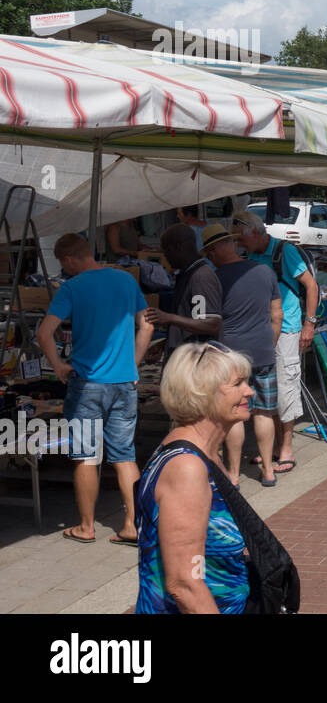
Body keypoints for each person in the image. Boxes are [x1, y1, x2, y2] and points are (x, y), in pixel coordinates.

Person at [37, 234, 153, 545]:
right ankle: (132, 525)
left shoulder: (72, 288)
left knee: (87, 456)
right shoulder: (126, 281)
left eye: (64, 264)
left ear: (70, 259)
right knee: (124, 456)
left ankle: (86, 526)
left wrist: (59, 364)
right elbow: (148, 325)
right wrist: (133, 365)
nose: (65, 269)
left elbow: (44, 332)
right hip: (123, 384)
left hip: (87, 384)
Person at [135, 341, 253, 613]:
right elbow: (185, 584)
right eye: (237, 384)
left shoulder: (206, 453)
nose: (249, 391)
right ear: (203, 393)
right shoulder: (187, 467)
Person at [231, 209, 319, 475]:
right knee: (265, 391)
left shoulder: (284, 252)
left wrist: (309, 323)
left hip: (289, 329)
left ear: (256, 233)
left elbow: (311, 286)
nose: (239, 245)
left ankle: (287, 448)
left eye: (242, 240)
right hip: (262, 331)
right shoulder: (252, 255)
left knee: (286, 387)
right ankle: (270, 447)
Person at [205, 224, 283, 487]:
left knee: (234, 414)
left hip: (230, 354)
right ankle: (269, 471)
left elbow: (211, 321)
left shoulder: (215, 277)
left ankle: (234, 474)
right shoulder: (264, 270)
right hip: (263, 351)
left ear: (214, 251)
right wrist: (268, 344)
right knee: (264, 412)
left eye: (209, 253)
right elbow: (277, 316)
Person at [145, 224, 222, 365]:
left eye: (166, 250)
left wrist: (169, 318)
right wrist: (165, 344)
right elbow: (190, 323)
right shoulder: (187, 273)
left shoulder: (201, 277)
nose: (165, 256)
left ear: (179, 247)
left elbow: (212, 324)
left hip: (195, 365)